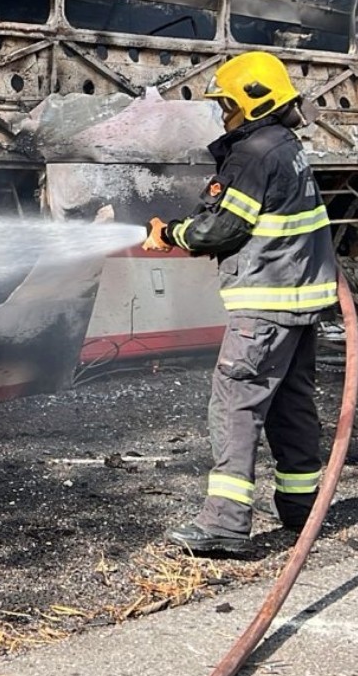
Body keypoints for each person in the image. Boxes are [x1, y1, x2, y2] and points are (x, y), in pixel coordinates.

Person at [142, 51, 338, 555]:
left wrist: (172, 234)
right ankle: (302, 508)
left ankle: (225, 524)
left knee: (235, 404)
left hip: (265, 304)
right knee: (291, 405)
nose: (223, 113)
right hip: (298, 301)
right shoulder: (286, 145)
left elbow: (223, 229)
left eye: (227, 103)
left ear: (254, 102)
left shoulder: (252, 153)